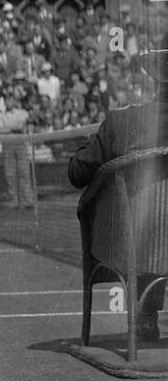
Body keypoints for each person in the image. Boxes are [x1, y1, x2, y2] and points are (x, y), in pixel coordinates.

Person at [69, 44, 167, 342]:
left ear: (157, 76)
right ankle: (146, 314)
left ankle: (145, 316)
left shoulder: (122, 122)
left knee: (149, 229)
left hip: (134, 242)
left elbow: (76, 173)